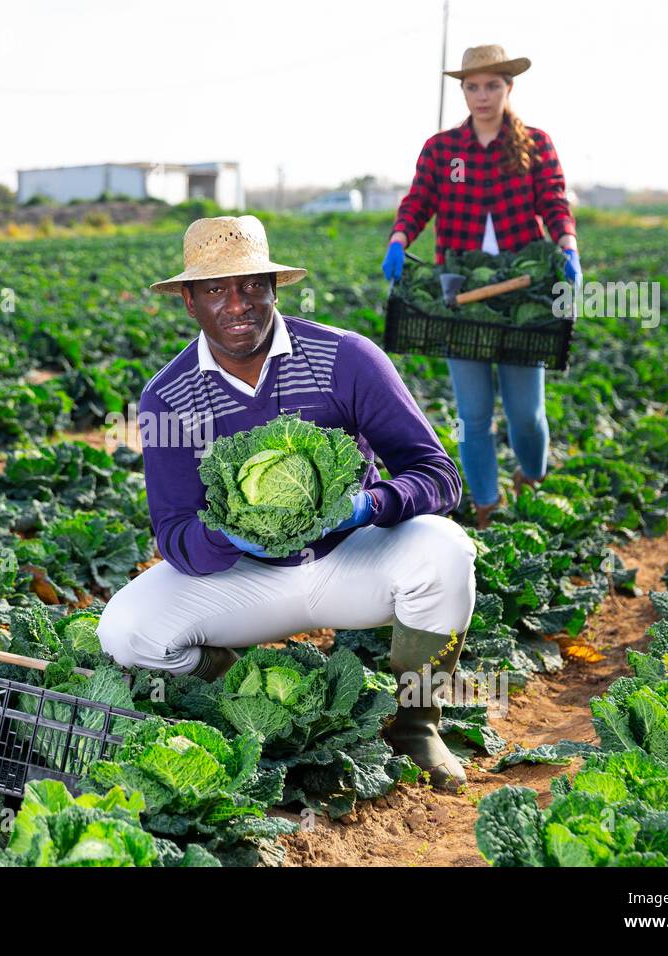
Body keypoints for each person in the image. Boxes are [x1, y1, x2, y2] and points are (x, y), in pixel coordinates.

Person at [98, 215, 478, 790]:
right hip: (248, 578)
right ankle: (236, 684)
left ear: (275, 287)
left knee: (446, 552)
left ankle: (417, 723)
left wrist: (367, 506)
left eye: (252, 285)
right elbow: (173, 533)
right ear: (189, 302)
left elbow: (439, 475)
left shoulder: (345, 358)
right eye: (215, 289)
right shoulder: (167, 396)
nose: (238, 304)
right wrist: (228, 537)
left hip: (352, 557)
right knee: (125, 630)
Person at [382, 45, 581, 528]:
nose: (482, 95)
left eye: (492, 85)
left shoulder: (534, 144)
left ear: (509, 88)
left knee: (526, 414)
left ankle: (531, 482)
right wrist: (399, 237)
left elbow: (553, 200)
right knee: (472, 414)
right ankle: (489, 506)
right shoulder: (442, 149)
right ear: (464, 91)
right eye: (473, 86)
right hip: (460, 290)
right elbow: (419, 201)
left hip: (520, 291)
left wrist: (569, 245)